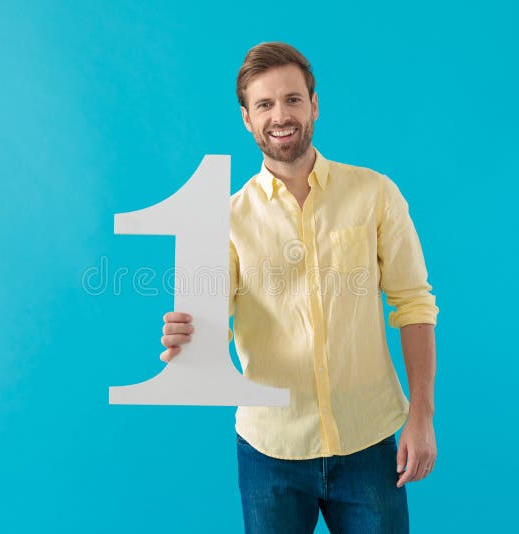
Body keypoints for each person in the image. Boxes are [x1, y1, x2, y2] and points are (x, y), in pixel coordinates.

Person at [160, 42, 439, 534]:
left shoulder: (375, 194)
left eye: (292, 99)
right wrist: (188, 337)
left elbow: (414, 304)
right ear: (246, 118)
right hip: (271, 452)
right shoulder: (223, 220)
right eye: (264, 104)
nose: (280, 115)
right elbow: (210, 319)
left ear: (314, 104)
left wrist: (421, 417)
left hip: (369, 444)